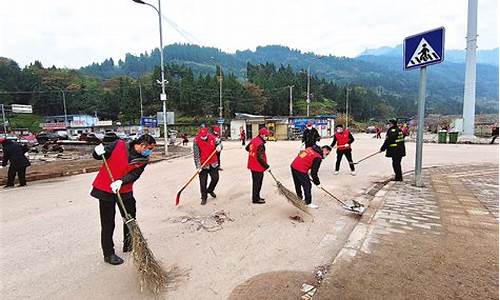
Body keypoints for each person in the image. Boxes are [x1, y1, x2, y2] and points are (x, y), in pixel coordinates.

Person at [90, 134, 156, 265]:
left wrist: (121, 181)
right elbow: (100, 155)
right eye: (149, 148)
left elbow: (134, 174)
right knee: (108, 222)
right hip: (106, 189)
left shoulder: (143, 160)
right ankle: (108, 253)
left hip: (124, 190)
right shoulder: (118, 145)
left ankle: (129, 244)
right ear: (142, 145)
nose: (150, 151)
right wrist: (96, 152)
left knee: (130, 217)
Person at [290, 145, 332, 209]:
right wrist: (317, 183)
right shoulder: (318, 157)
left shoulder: (310, 149)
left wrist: (305, 169)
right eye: (327, 153)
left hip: (294, 165)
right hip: (300, 169)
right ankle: (308, 202)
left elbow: (300, 156)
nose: (327, 155)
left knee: (297, 183)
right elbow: (314, 173)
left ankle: (299, 197)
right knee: (308, 185)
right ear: (325, 150)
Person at [193, 127, 221, 205]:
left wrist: (219, 147)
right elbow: (196, 155)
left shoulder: (213, 138)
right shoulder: (196, 141)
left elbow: (219, 143)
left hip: (213, 162)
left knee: (215, 178)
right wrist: (198, 166)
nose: (203, 137)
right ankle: (204, 197)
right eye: (202, 136)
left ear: (207, 134)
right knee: (203, 182)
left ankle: (210, 190)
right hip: (203, 164)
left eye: (205, 136)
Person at [246, 127, 270, 204]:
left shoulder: (254, 140)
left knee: (255, 182)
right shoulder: (260, 144)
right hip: (257, 166)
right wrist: (266, 166)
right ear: (262, 135)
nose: (267, 137)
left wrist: (252, 152)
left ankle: (256, 197)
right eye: (266, 135)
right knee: (258, 183)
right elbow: (260, 158)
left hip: (252, 165)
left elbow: (247, 148)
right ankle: (256, 199)